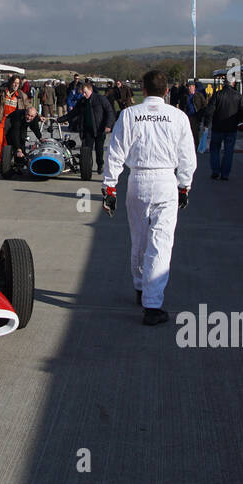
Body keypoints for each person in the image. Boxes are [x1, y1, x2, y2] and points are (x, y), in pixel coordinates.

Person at [102, 70, 196, 326]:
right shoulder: (178, 117)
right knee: (161, 243)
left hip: (138, 180)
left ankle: (141, 287)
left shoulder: (129, 114)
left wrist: (110, 186)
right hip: (166, 180)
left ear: (142, 90)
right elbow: (188, 156)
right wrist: (184, 185)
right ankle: (152, 305)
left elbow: (115, 151)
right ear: (167, 91)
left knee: (139, 238)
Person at [58, 80, 116, 172]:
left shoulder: (100, 99)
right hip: (87, 130)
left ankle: (100, 164)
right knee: (86, 151)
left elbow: (110, 112)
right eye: (82, 93)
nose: (84, 95)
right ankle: (87, 167)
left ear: (90, 90)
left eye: (85, 92)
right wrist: (60, 119)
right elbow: (73, 113)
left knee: (99, 150)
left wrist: (108, 125)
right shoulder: (82, 101)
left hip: (99, 129)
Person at [203, 77, 243, 180]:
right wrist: (237, 121)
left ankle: (215, 170)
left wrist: (206, 124)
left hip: (217, 126)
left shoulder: (217, 94)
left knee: (215, 149)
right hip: (231, 127)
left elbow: (209, 111)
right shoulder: (238, 96)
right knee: (228, 151)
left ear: (224, 83)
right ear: (233, 83)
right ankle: (225, 173)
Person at [0, 75, 25, 171]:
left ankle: (2, 163)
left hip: (11, 122)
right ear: (10, 82)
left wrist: (38, 116)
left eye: (18, 83)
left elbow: (28, 107)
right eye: (14, 82)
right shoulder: (1, 91)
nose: (16, 85)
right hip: (0, 119)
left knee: (6, 144)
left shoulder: (21, 95)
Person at [1, 104, 44, 178]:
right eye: (28, 115)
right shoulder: (18, 116)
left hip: (22, 125)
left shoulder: (34, 117)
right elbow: (15, 133)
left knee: (22, 139)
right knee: (12, 140)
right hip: (11, 123)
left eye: (32, 116)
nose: (29, 117)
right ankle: (11, 163)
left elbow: (35, 128)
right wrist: (18, 149)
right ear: (25, 113)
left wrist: (40, 138)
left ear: (35, 115)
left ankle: (19, 164)